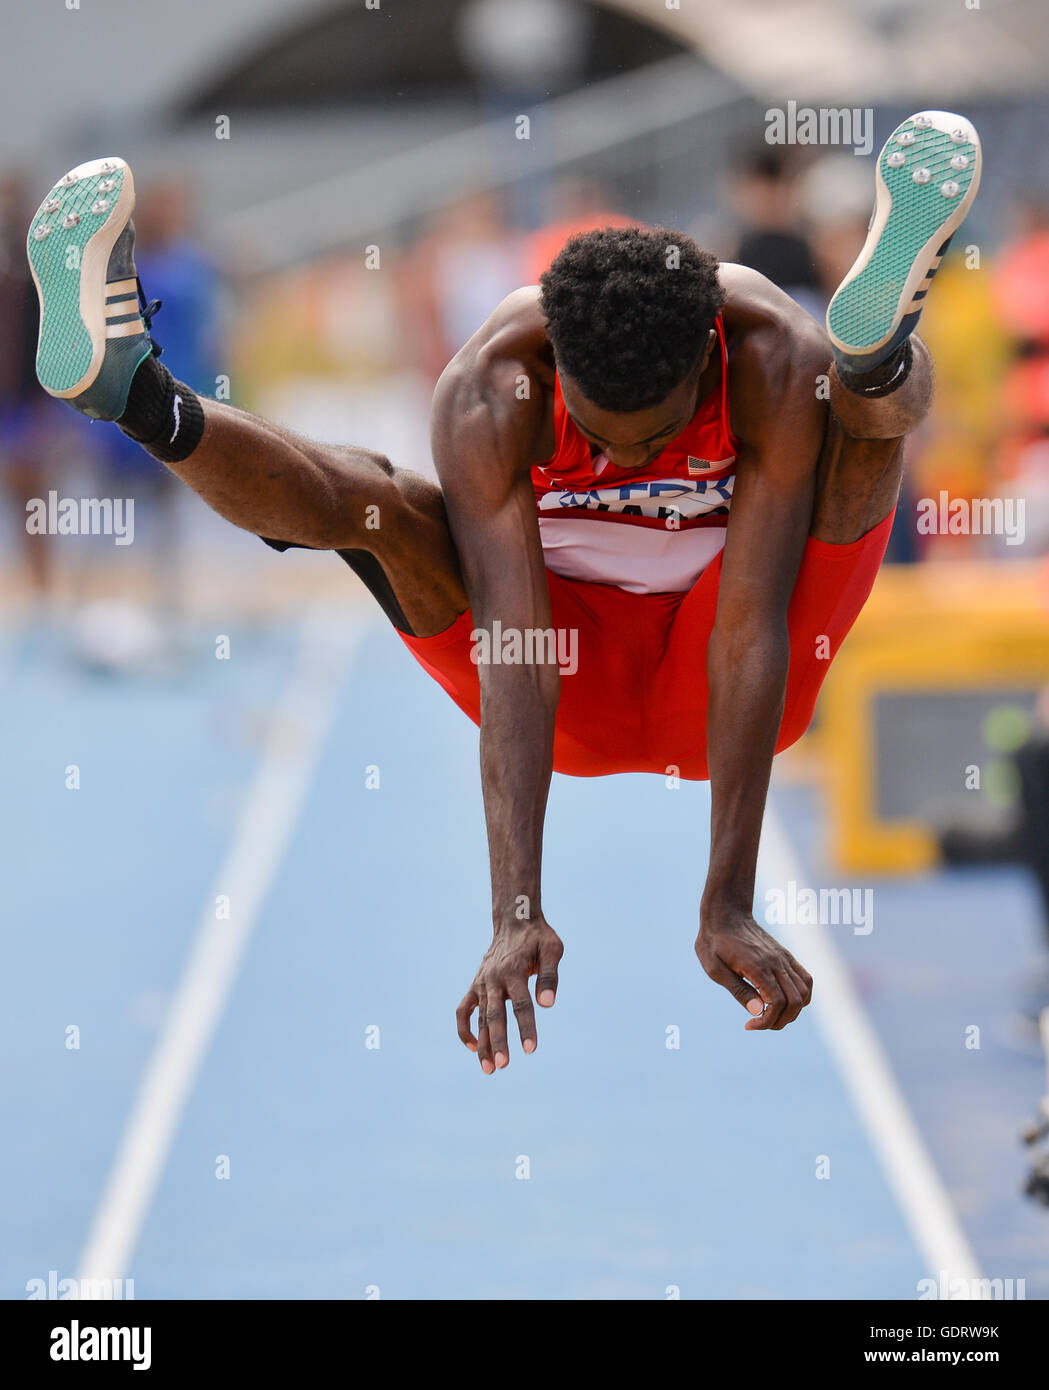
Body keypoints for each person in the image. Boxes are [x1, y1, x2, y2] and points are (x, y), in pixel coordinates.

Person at [26, 112, 981, 1073]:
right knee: (380, 502)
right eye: (598, 434)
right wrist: (513, 909)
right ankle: (136, 395)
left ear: (704, 360)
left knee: (861, 441)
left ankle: (876, 363)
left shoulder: (775, 359)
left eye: (648, 441)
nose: (618, 459)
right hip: (568, 679)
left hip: (728, 662)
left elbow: (746, 628)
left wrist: (727, 896)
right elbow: (518, 655)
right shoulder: (487, 389)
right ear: (555, 368)